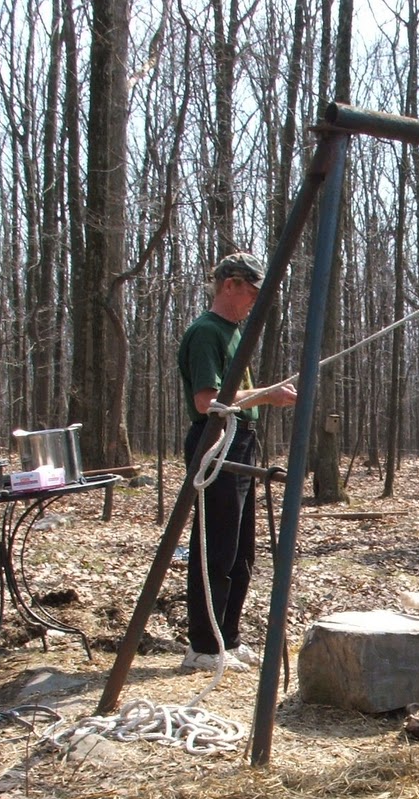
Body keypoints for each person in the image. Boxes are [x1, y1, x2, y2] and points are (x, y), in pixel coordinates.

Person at [178, 251, 297, 673]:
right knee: (217, 547)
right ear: (229, 284)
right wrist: (265, 396)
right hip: (216, 441)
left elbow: (236, 398)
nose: (252, 302)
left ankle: (228, 637)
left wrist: (266, 392)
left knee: (241, 549)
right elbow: (208, 403)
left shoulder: (233, 332)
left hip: (241, 440)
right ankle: (204, 645)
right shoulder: (207, 332)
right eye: (249, 292)